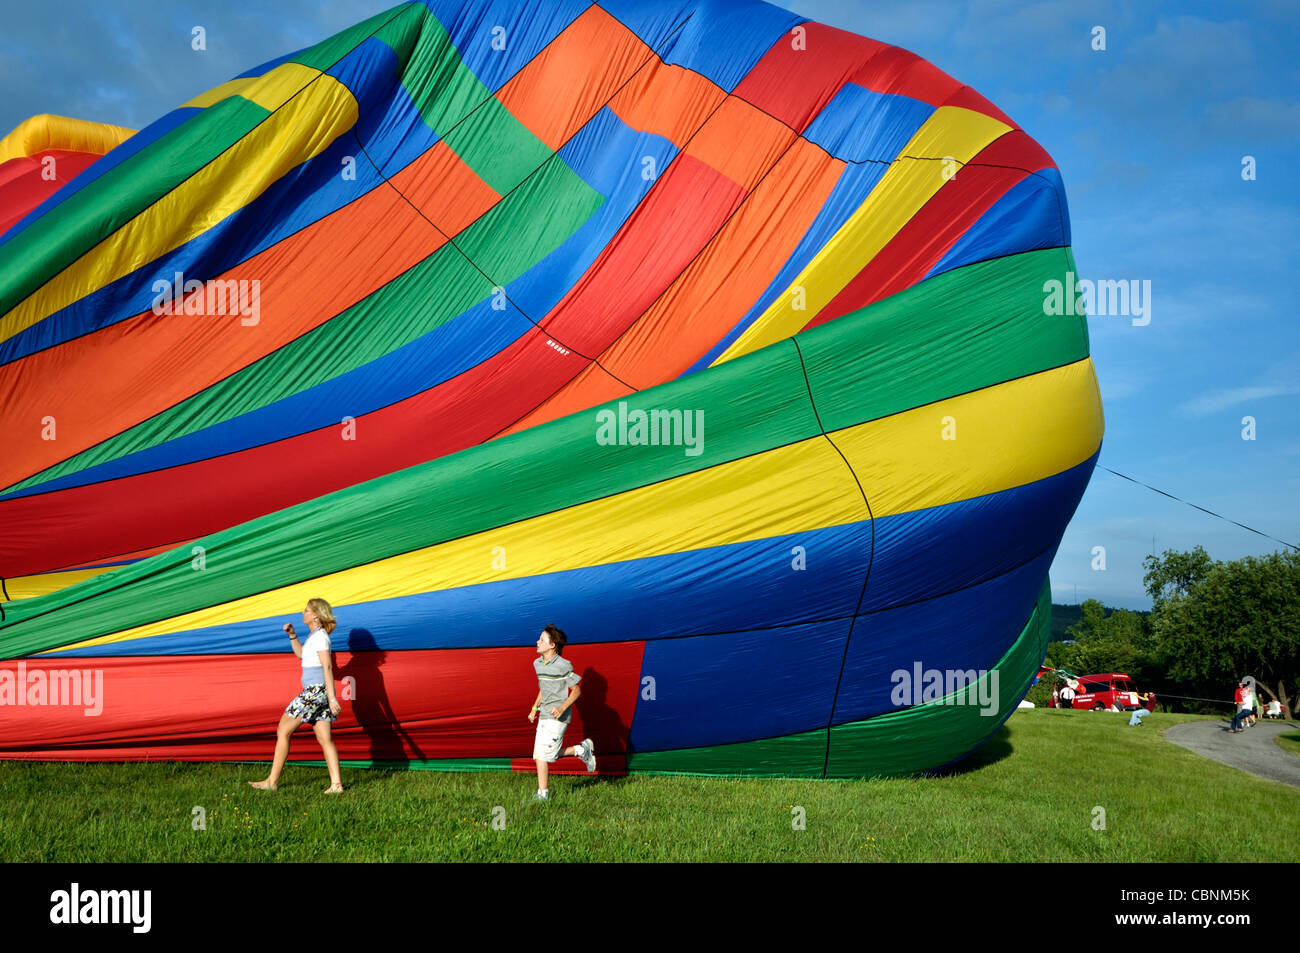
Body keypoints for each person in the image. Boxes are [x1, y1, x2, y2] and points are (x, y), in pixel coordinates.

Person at [249, 599, 344, 793]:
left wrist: (333, 698)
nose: (303, 613)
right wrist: (292, 636)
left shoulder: (321, 638)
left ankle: (271, 782)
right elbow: (302, 655)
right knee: (325, 738)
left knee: (283, 730)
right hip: (319, 692)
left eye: (307, 610)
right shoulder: (315, 636)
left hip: (314, 692)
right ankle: (336, 785)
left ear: (316, 616)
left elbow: (327, 666)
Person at [528, 624, 595, 800]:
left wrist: (562, 708)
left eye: (542, 639)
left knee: (542, 754)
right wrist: (534, 708)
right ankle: (580, 750)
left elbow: (576, 691)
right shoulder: (537, 664)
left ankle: (543, 795)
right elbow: (544, 687)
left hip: (558, 717)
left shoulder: (563, 665)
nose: (537, 641)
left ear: (552, 645)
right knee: (541, 754)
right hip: (544, 714)